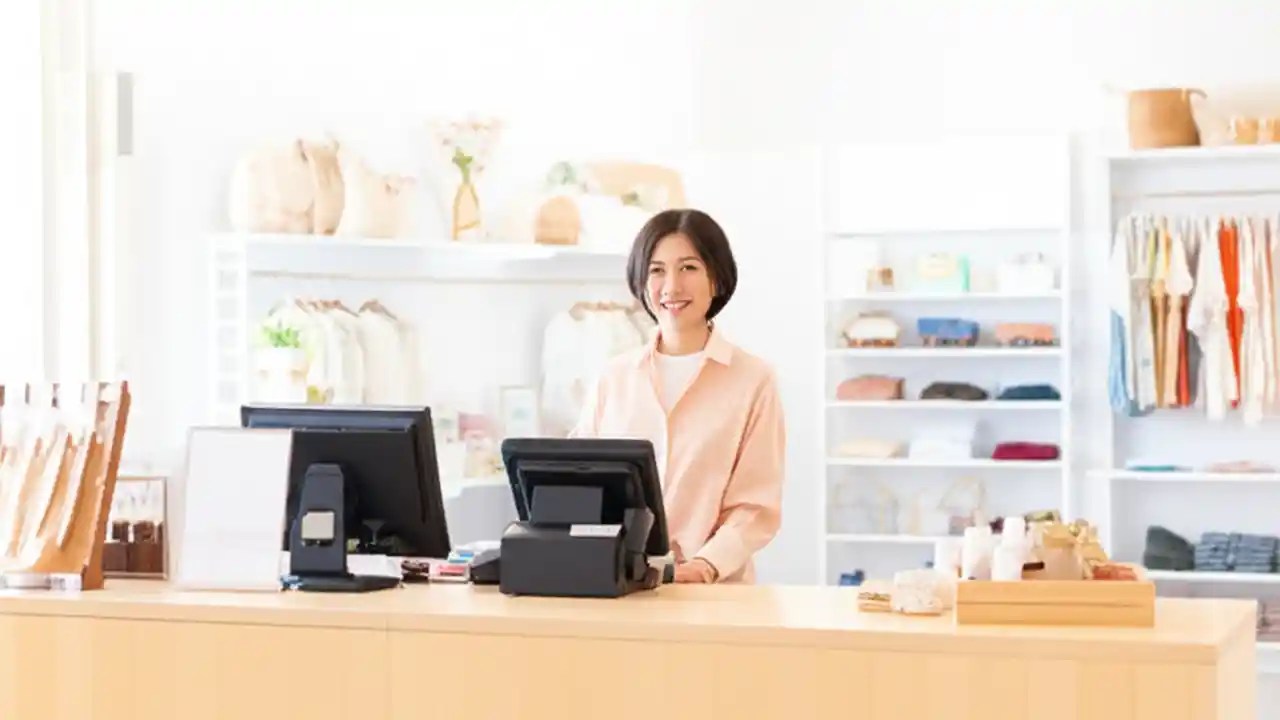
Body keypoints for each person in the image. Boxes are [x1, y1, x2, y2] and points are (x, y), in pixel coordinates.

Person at [572, 208, 786, 584]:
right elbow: (577, 477)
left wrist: (704, 566)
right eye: (656, 270)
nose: (671, 287)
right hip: (619, 584)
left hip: (714, 592)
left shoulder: (753, 379)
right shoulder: (614, 376)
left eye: (688, 268)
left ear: (716, 279)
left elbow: (756, 506)